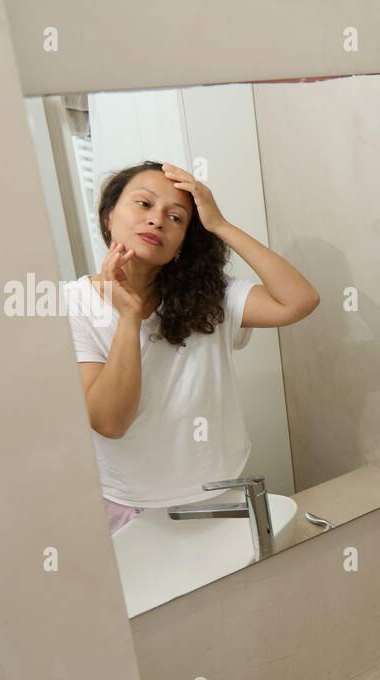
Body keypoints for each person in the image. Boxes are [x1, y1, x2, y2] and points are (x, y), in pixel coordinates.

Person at [66, 160, 319, 534]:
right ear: (108, 216)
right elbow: (109, 422)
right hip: (129, 504)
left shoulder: (212, 297)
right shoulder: (72, 303)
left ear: (183, 243)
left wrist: (219, 225)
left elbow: (300, 301)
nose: (157, 220)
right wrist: (129, 317)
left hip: (219, 491)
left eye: (177, 217)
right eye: (144, 204)